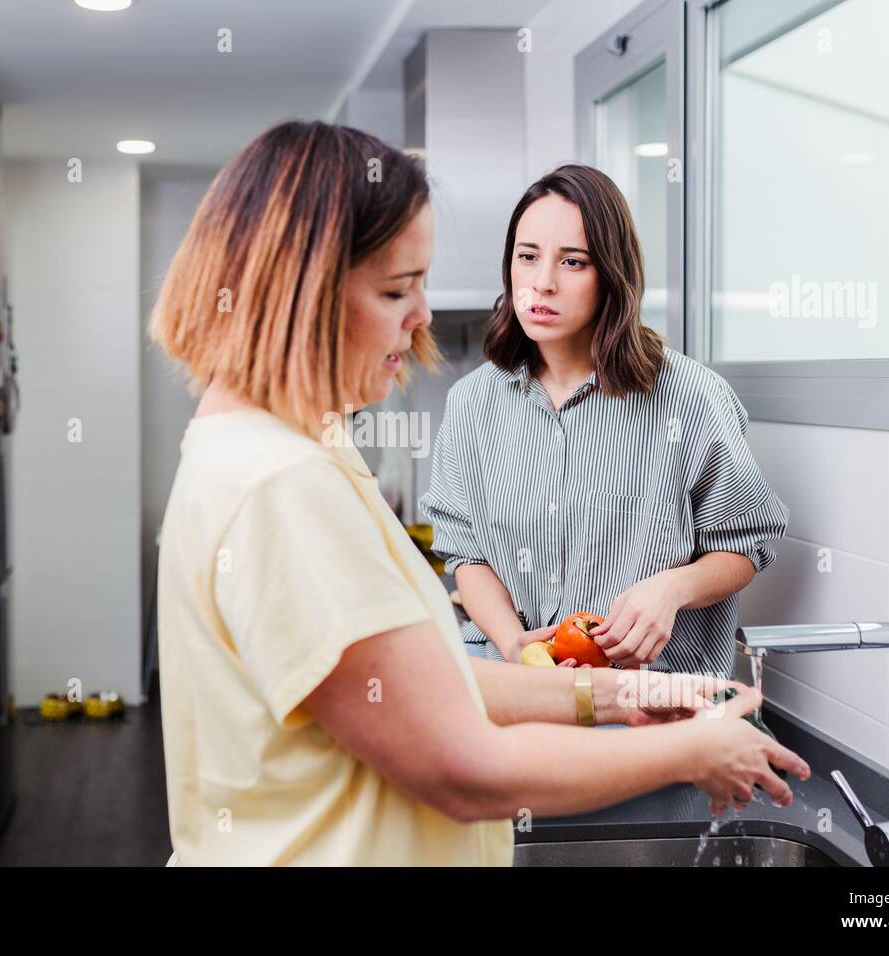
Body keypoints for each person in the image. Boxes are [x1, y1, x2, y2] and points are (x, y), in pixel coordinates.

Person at [152, 122, 808, 866]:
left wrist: (629, 697)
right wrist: (689, 750)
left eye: (572, 261)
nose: (424, 314)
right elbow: (461, 767)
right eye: (398, 287)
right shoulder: (282, 486)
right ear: (301, 292)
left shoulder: (271, 450)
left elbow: (419, 681)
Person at [421, 165, 790, 676]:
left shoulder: (691, 398)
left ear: (611, 275)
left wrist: (672, 588)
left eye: (572, 262)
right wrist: (513, 644)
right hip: (514, 683)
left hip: (647, 702)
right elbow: (467, 554)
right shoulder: (472, 404)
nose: (542, 283)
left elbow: (745, 542)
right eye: (527, 257)